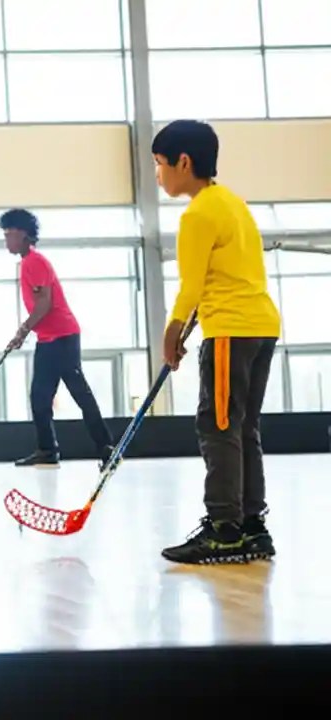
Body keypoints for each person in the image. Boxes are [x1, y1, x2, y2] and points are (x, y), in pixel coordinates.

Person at [152, 120, 281, 565]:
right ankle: (252, 528)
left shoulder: (198, 213)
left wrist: (171, 332)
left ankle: (224, 531)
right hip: (260, 327)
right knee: (242, 428)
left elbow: (191, 286)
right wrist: (190, 330)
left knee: (218, 428)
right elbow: (217, 280)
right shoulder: (233, 204)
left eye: (159, 164)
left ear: (183, 163)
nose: (158, 174)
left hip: (232, 330)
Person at [1, 208, 115, 468]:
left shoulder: (35, 261)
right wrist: (28, 331)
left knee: (79, 393)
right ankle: (47, 451)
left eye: (10, 234)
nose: (6, 240)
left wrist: (22, 331)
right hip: (47, 339)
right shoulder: (27, 263)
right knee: (39, 398)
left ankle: (107, 448)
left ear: (25, 235)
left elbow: (44, 303)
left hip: (63, 337)